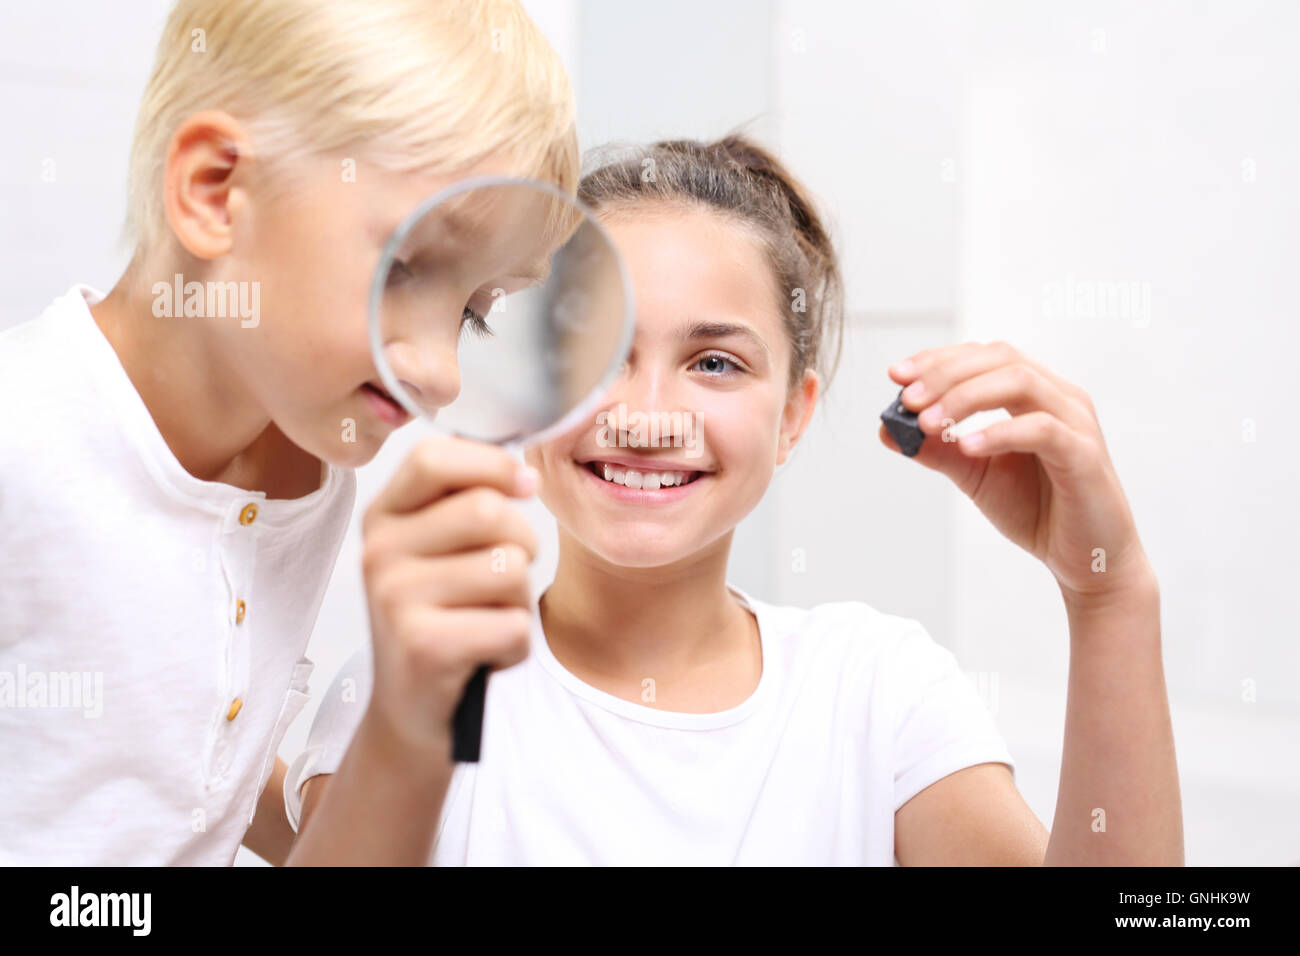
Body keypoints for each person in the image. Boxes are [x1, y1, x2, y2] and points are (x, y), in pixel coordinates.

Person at [285, 135, 1182, 865]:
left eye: (714, 362)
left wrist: (1109, 597)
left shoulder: (875, 694)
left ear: (794, 418)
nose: (645, 417)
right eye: (600, 352)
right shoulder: (410, 693)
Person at [0, 0, 577, 865]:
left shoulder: (307, 475)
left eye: (475, 310)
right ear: (214, 192)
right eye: (408, 264)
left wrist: (383, 756)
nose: (441, 372)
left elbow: (157, 766)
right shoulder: (25, 443)